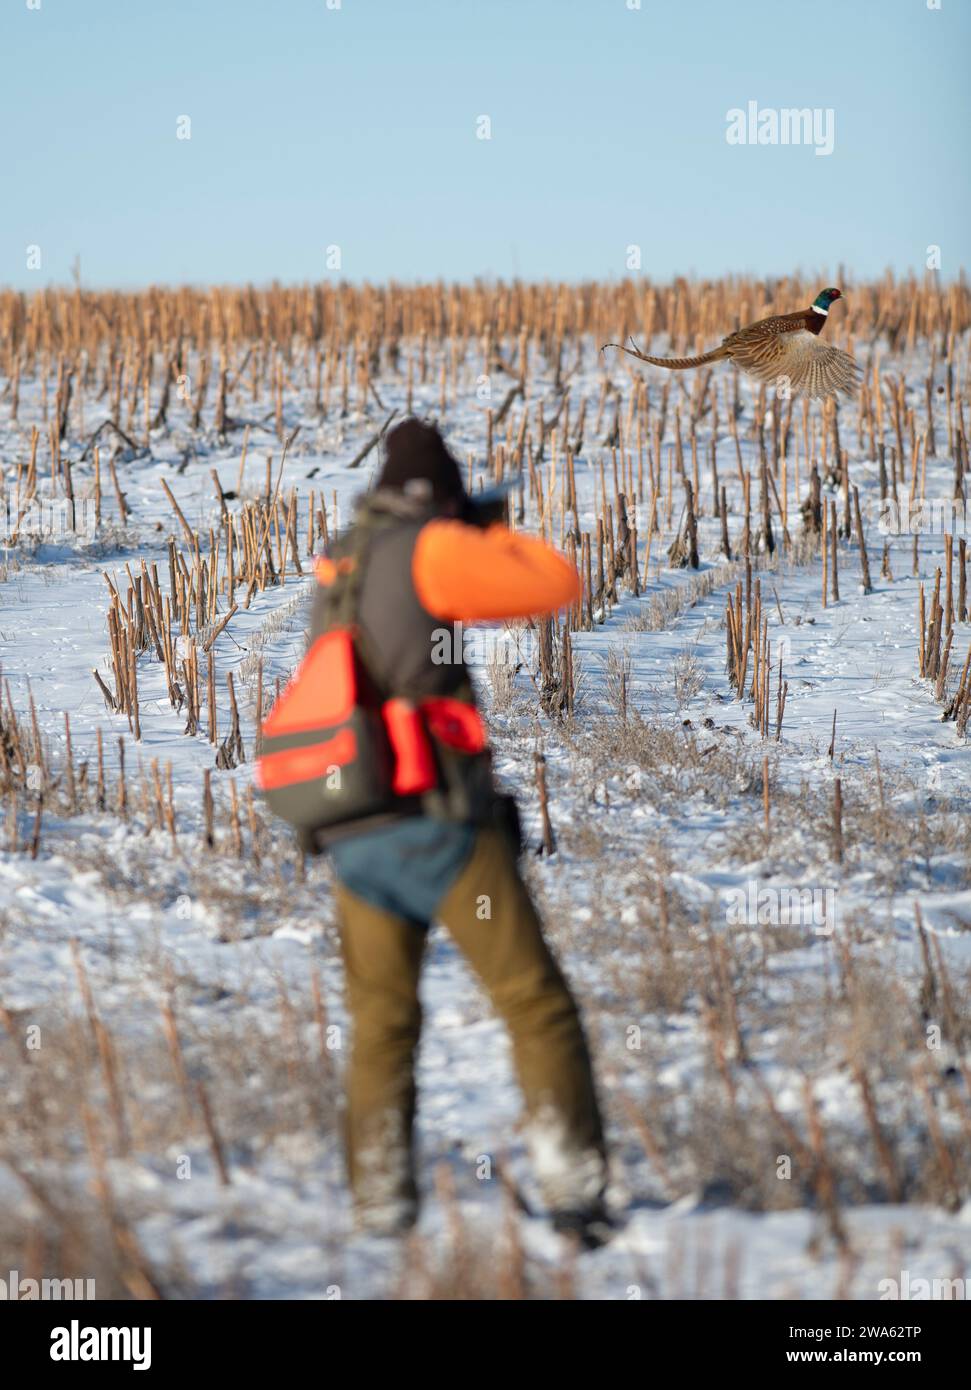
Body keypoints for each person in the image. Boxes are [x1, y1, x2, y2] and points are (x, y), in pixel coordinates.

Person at [308, 418, 608, 1245]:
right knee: (533, 1002)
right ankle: (574, 1194)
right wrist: (484, 527)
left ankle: (379, 1206)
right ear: (438, 495)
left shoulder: (342, 557)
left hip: (350, 829)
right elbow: (554, 581)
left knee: (382, 1024)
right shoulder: (429, 549)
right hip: (434, 827)